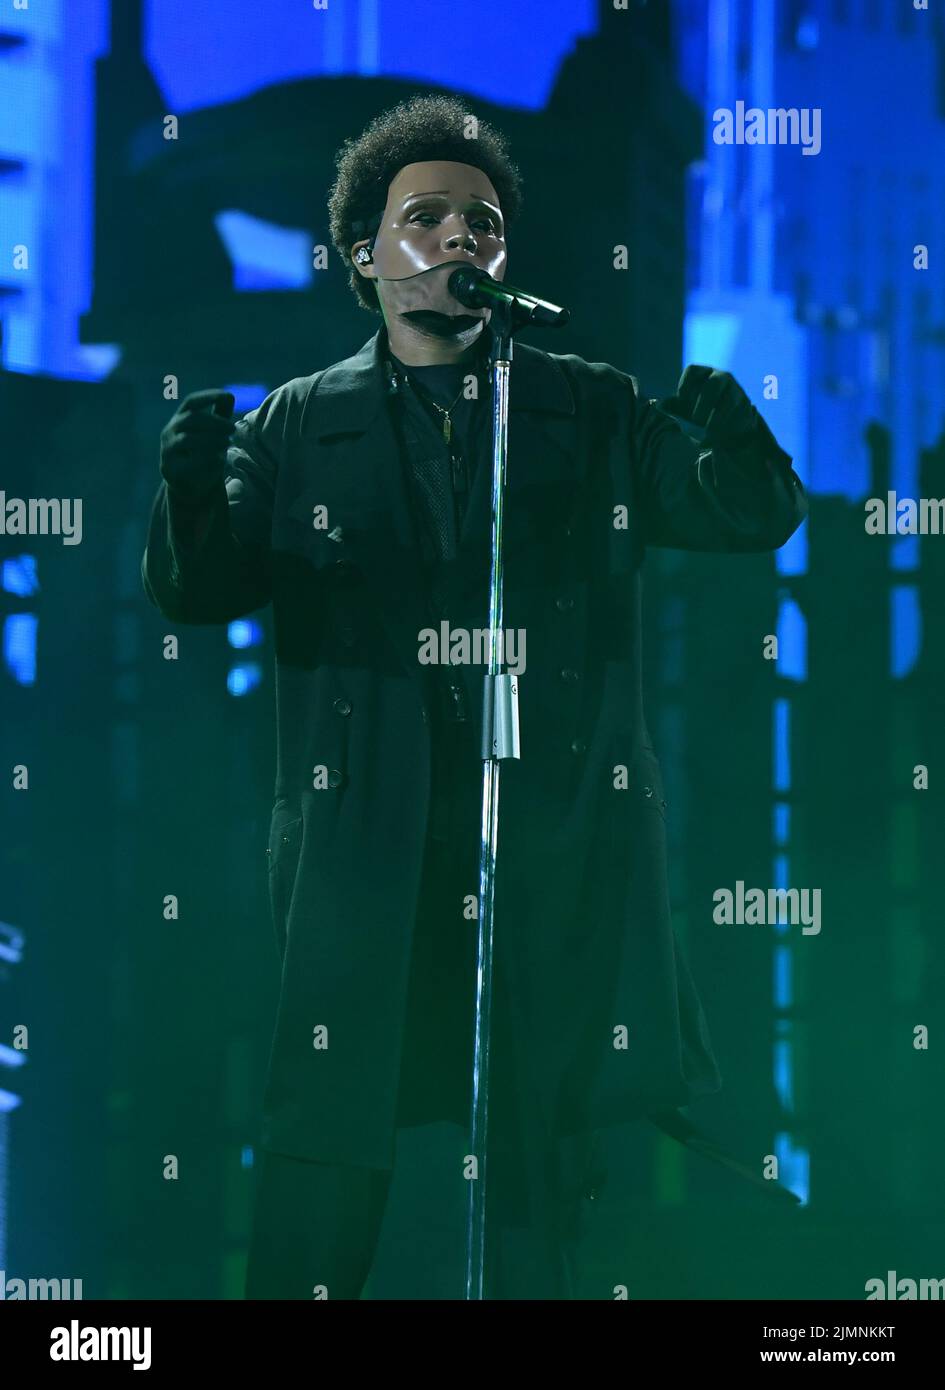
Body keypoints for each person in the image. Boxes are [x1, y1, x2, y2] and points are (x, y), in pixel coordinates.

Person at [142, 94, 809, 1299]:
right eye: (428, 218)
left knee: (536, 1178)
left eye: (485, 225)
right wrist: (190, 489)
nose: (463, 241)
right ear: (365, 254)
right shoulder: (300, 422)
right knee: (329, 1154)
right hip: (370, 843)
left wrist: (740, 436)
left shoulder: (587, 405)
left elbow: (743, 516)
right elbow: (204, 589)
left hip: (540, 841)